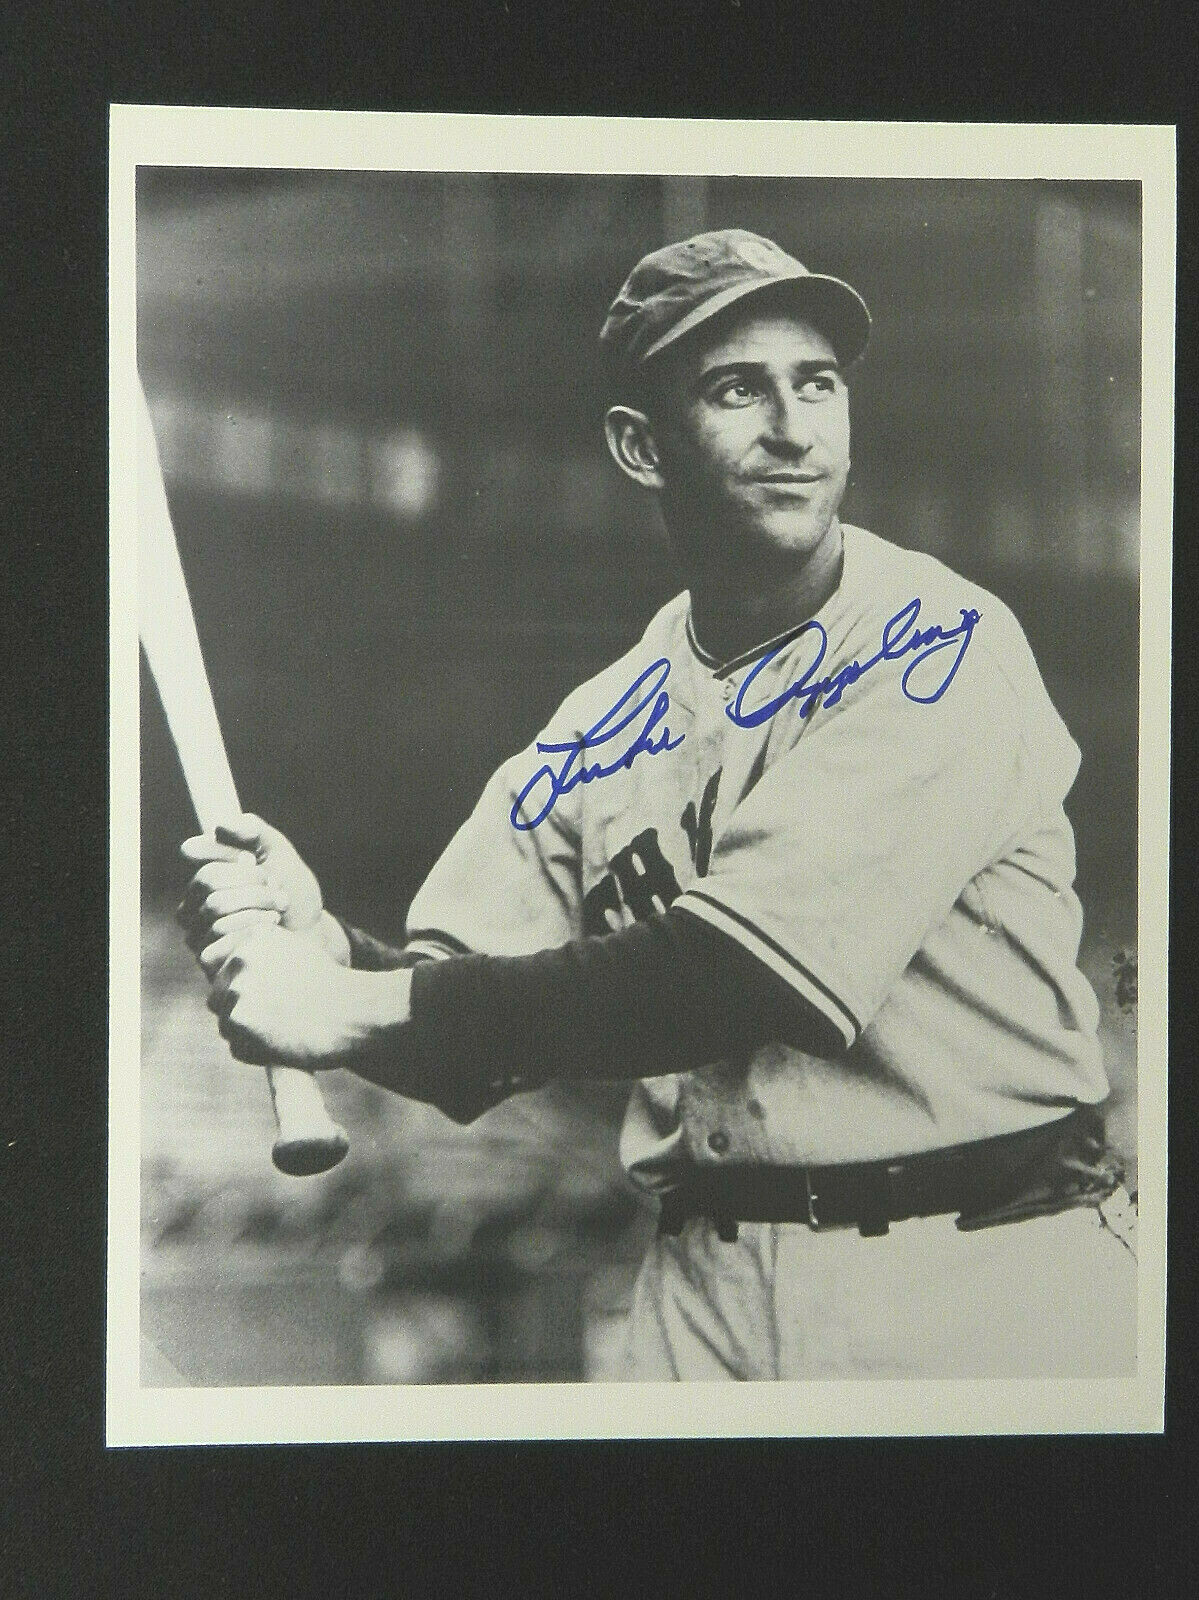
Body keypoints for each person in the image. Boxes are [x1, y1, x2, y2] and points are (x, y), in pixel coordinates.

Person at [178, 228, 1137, 1380]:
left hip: (977, 1271)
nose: (792, 429)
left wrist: (343, 1004)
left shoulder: (937, 643)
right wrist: (326, 945)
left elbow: (731, 977)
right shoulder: (605, 718)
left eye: (816, 384)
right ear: (640, 446)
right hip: (702, 1285)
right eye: (737, 390)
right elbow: (462, 1034)